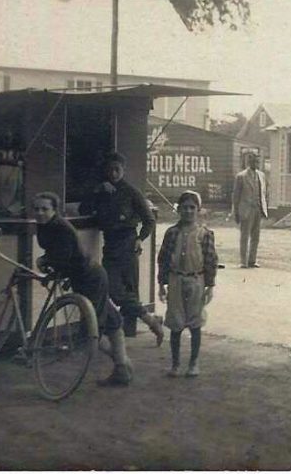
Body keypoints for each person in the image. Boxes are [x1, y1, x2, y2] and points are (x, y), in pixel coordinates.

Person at [32, 191, 134, 387]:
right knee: (111, 320)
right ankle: (122, 367)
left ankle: (122, 365)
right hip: (80, 278)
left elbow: (62, 258)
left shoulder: (61, 228)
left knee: (91, 331)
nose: (40, 213)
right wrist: (46, 261)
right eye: (36, 209)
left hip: (90, 278)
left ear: (55, 210)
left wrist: (48, 267)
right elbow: (55, 255)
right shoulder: (44, 227)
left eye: (45, 209)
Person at [79, 151, 165, 343]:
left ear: (123, 170)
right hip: (110, 244)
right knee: (113, 288)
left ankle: (131, 330)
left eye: (117, 169)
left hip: (127, 242)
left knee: (128, 287)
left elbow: (149, 220)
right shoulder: (102, 191)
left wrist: (140, 239)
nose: (114, 173)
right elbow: (83, 210)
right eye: (110, 170)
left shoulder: (131, 192)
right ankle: (152, 321)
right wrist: (98, 190)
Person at [158, 191, 218, 378]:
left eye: (192, 207)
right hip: (176, 280)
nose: (188, 211)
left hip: (196, 280)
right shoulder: (172, 233)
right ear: (179, 210)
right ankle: (175, 364)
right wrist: (162, 284)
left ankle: (193, 363)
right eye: (185, 207)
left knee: (195, 322)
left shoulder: (204, 234)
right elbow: (164, 259)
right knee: (176, 323)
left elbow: (210, 260)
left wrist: (210, 286)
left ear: (198, 210)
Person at [230, 154, 268, 269]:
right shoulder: (241, 176)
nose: (256, 163)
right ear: (248, 162)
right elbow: (236, 196)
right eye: (253, 161)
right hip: (246, 209)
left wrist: (263, 208)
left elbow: (263, 193)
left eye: (257, 161)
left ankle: (252, 260)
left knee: (256, 236)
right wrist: (235, 212)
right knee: (245, 236)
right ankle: (243, 261)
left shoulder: (261, 175)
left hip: (258, 208)